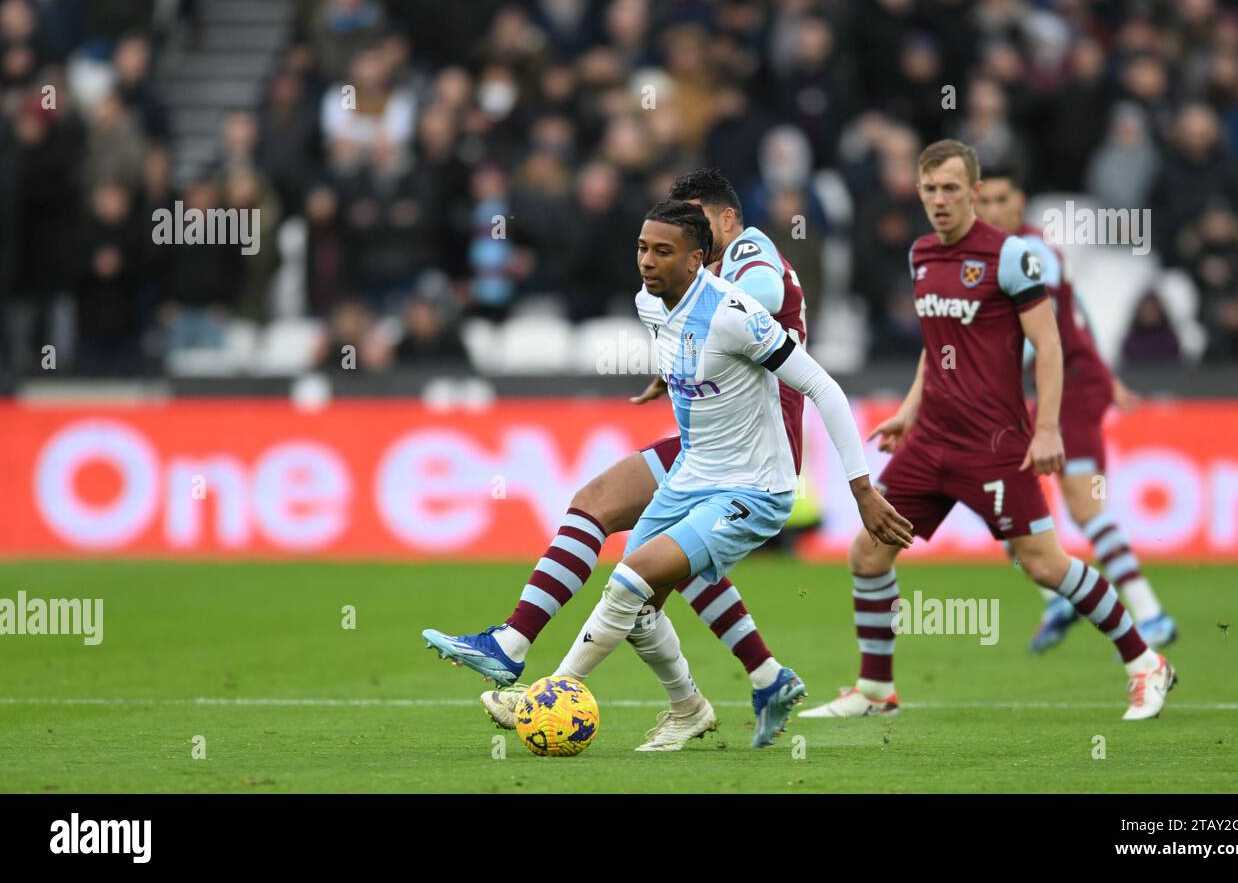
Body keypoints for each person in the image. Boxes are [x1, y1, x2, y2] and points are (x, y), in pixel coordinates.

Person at [426, 198, 910, 750]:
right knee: (640, 602)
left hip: (753, 479)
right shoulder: (650, 303)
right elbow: (684, 340)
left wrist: (861, 488)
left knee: (630, 579)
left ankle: (546, 687)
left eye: (662, 251)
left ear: (700, 253)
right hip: (692, 469)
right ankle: (695, 704)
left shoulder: (736, 304)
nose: (647, 261)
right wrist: (672, 372)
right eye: (642, 249)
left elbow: (820, 381)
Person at [800, 140, 1176, 722]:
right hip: (930, 441)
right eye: (930, 189)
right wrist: (909, 409)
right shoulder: (922, 254)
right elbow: (937, 345)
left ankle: (1146, 662)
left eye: (951, 188)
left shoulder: (1011, 257)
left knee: (1046, 565)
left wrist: (1046, 429)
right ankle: (875, 690)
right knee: (869, 553)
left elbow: (1048, 345)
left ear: (974, 192)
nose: (939, 200)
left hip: (994, 445)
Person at [975, 168, 1177, 652]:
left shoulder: (1031, 252)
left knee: (1084, 505)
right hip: (1054, 386)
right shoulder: (1003, 253)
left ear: (1020, 202)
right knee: (990, 486)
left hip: (1073, 387)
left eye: (1002, 199)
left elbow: (1039, 328)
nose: (992, 210)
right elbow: (1075, 307)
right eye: (984, 200)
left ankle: (1151, 615)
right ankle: (1058, 598)